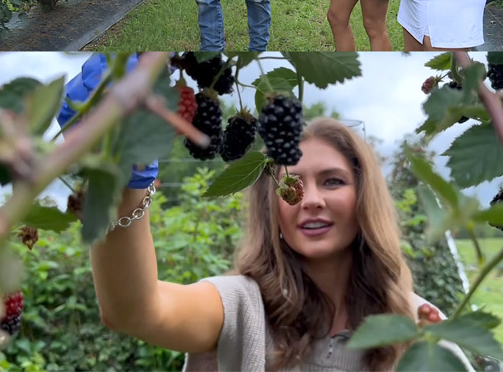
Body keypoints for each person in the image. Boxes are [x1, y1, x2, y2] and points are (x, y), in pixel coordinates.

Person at [61, 55, 471, 371]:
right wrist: (122, 175)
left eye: (332, 181)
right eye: (292, 184)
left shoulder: (419, 328)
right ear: (269, 208)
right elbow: (134, 309)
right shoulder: (243, 307)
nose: (310, 199)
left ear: (365, 196)